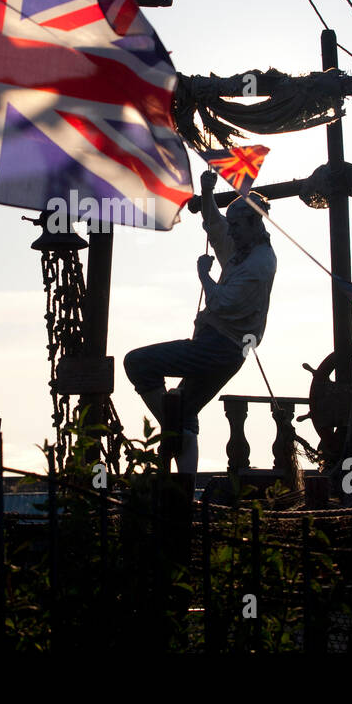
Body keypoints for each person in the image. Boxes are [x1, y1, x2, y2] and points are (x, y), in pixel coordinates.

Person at [123, 168, 277, 474]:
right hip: (225, 350)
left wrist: (204, 275)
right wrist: (208, 192)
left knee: (138, 363)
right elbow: (216, 226)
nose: (231, 232)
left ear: (252, 223)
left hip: (221, 348)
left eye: (237, 226)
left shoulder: (259, 264)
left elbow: (222, 302)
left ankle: (170, 427)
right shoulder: (244, 249)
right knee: (185, 409)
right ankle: (185, 491)